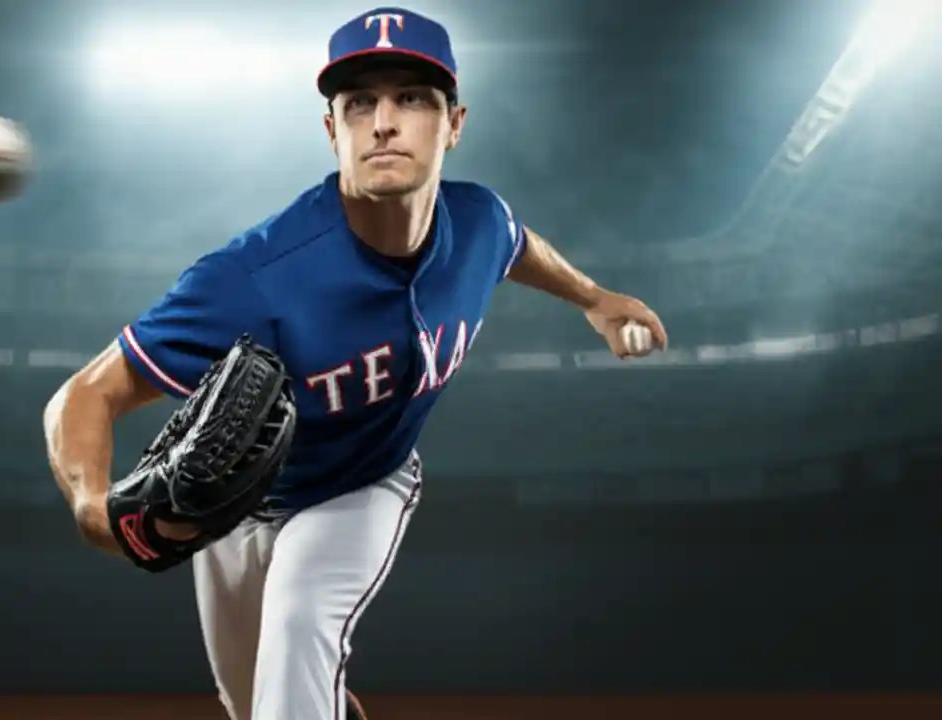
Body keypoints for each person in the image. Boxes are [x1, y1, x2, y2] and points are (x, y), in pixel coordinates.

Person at [43, 6, 668, 719]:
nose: (384, 122)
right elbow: (83, 396)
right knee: (259, 706)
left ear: (454, 124)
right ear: (331, 127)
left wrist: (594, 297)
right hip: (234, 508)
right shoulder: (256, 276)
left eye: (412, 99)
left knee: (299, 630)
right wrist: (94, 508)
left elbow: (520, 246)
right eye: (360, 101)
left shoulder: (478, 223)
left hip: (363, 486)